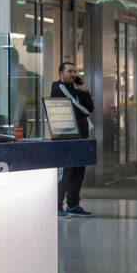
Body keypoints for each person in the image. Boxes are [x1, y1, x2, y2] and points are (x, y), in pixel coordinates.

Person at [52, 61, 94, 217]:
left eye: (75, 71)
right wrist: (83, 97)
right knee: (66, 172)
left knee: (79, 171)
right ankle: (57, 206)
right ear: (61, 73)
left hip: (81, 135)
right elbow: (84, 110)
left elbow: (89, 107)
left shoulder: (74, 88)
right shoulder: (59, 88)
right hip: (66, 136)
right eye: (69, 71)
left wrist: (84, 91)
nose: (73, 74)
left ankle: (73, 204)